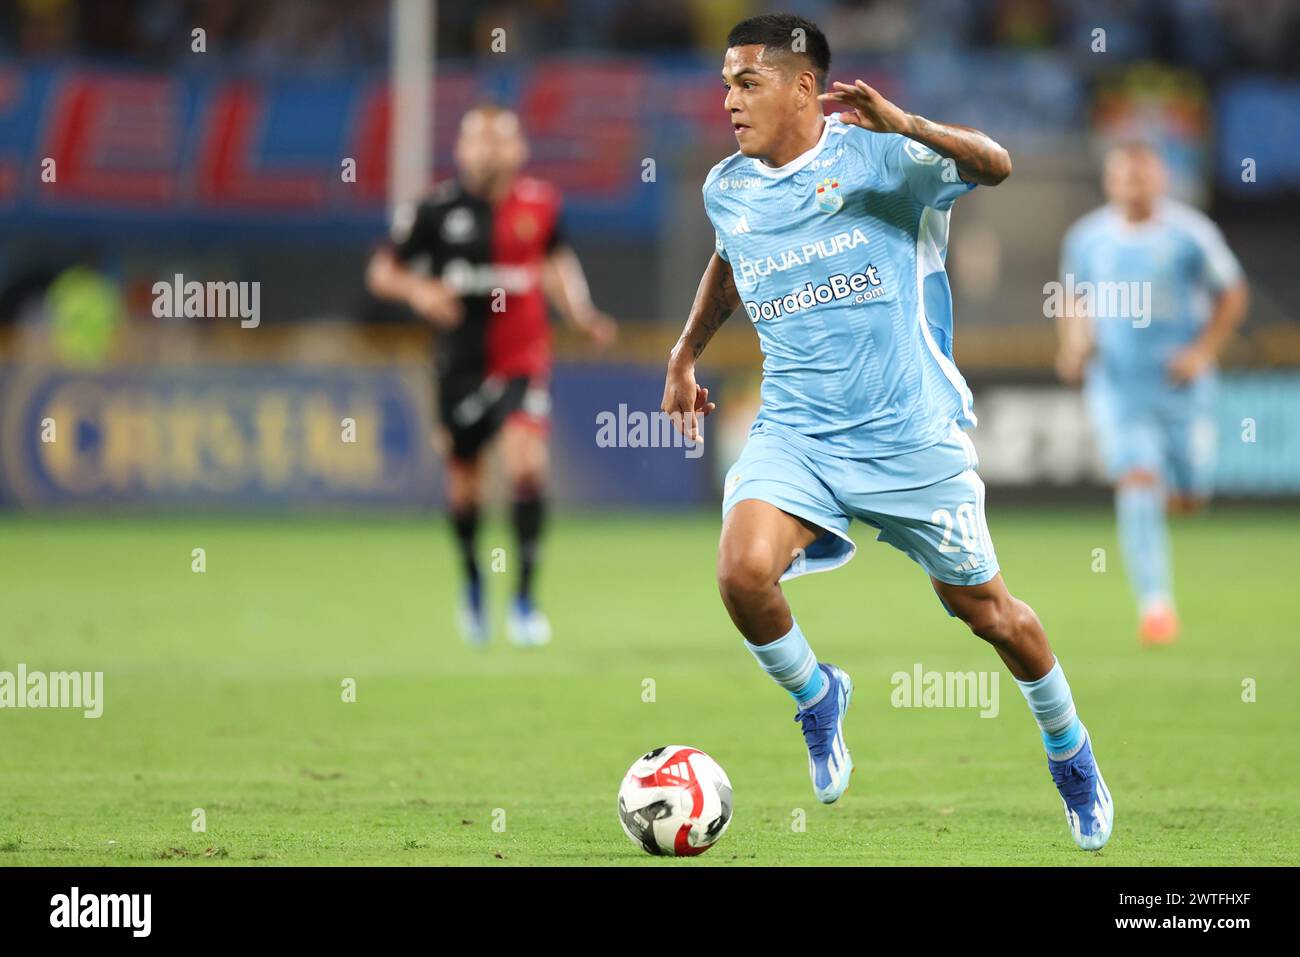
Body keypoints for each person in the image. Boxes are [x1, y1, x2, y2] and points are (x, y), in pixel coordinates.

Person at [661, 13, 1113, 850]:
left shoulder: (881, 156)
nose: (729, 99)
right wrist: (687, 350)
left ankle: (1069, 748)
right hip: (797, 431)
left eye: (747, 82)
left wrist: (908, 124)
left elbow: (997, 164)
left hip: (911, 437)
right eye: (725, 83)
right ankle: (816, 694)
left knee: (990, 614)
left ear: (804, 87)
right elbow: (732, 254)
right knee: (741, 572)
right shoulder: (729, 185)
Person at [368, 105, 616, 647]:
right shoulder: (434, 210)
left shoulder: (540, 205)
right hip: (458, 366)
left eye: (499, 140)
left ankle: (526, 599)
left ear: (519, 148)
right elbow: (383, 270)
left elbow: (556, 261)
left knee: (527, 466)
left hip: (523, 360)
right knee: (465, 485)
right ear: (460, 150)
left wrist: (581, 313)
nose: (488, 150)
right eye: (477, 140)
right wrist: (420, 291)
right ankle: (475, 582)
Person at [1056, 142, 1248, 645]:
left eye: (1141, 177)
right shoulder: (1088, 237)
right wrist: (1075, 344)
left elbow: (1233, 291)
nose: (1132, 185)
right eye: (1124, 177)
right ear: (1110, 182)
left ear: (1159, 180)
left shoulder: (1190, 233)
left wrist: (1203, 352)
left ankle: (1186, 489)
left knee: (1187, 494)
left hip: (1180, 384)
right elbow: (1074, 297)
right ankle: (1156, 605)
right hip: (1118, 386)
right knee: (1138, 478)